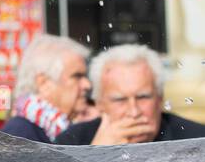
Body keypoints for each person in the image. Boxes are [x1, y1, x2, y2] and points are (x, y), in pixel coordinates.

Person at [54, 44, 205, 145]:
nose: (134, 112)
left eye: (143, 97)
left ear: (160, 99)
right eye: (119, 100)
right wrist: (97, 155)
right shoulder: (72, 143)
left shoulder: (196, 140)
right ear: (99, 104)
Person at [0, 34, 91, 143]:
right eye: (77, 76)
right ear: (43, 83)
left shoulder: (53, 131)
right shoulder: (20, 135)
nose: (87, 85)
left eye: (85, 76)